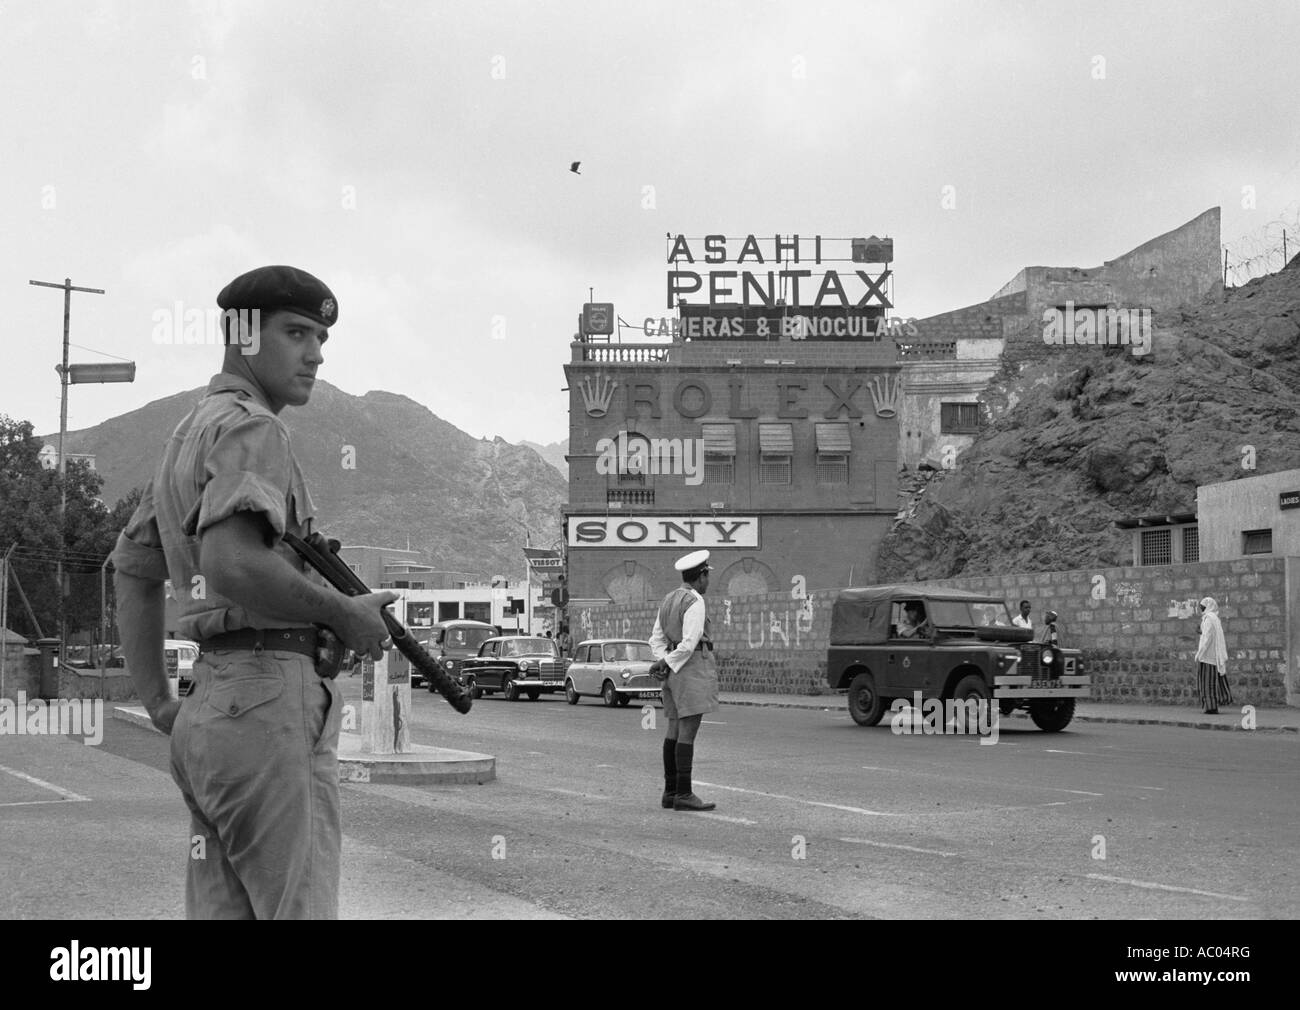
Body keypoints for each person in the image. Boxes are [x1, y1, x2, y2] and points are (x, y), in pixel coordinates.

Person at [110, 265, 397, 919]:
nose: (315, 354)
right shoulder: (255, 428)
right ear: (241, 335)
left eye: (321, 338)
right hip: (270, 705)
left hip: (214, 706)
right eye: (297, 333)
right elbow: (233, 561)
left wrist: (159, 702)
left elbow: (133, 568)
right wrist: (342, 614)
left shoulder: (186, 435)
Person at [647, 549, 718, 812]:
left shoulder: (668, 599)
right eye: (707, 576)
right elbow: (689, 644)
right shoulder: (695, 601)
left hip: (671, 670)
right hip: (690, 669)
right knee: (688, 731)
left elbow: (656, 639)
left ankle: (670, 792)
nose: (708, 582)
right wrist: (668, 662)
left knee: (673, 730)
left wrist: (663, 660)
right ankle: (684, 794)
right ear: (700, 576)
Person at [1195, 597, 1232, 715]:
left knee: (1207, 683)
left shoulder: (1209, 619)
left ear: (1208, 606)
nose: (1201, 609)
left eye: (1202, 606)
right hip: (1212, 656)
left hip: (1207, 656)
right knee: (1211, 682)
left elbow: (1207, 638)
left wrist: (1199, 653)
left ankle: (1211, 707)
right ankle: (1212, 706)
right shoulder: (1213, 618)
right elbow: (1208, 634)